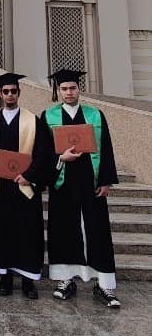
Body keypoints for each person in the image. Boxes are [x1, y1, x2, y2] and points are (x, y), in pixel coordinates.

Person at [41, 69, 121, 307]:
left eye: (72, 88)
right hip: (63, 183)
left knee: (98, 231)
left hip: (90, 182)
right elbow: (43, 152)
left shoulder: (95, 115)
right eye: (64, 89)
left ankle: (104, 284)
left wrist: (105, 180)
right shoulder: (48, 116)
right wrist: (60, 159)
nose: (69, 92)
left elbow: (106, 148)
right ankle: (66, 280)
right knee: (63, 230)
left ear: (79, 90)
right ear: (58, 91)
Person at [0, 72, 55, 300]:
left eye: (13, 91)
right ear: (0, 93)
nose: (9, 95)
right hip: (1, 187)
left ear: (19, 93)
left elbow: (43, 153)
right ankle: (5, 278)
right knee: (3, 232)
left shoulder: (33, 120)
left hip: (25, 186)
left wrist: (29, 176)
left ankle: (28, 280)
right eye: (5, 91)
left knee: (28, 233)